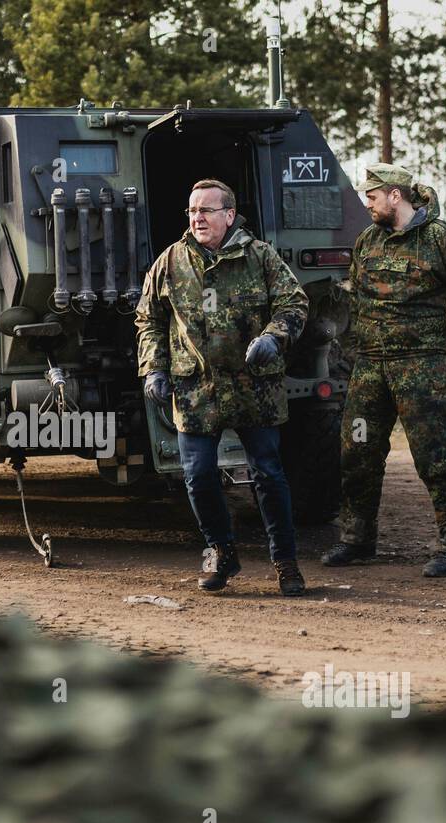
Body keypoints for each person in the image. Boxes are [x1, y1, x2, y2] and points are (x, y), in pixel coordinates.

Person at [135, 179, 309, 595]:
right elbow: (149, 320)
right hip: (197, 391)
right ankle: (221, 554)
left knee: (267, 474)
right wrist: (153, 369)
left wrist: (274, 337)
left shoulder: (260, 257)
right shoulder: (171, 262)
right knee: (197, 476)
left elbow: (294, 303)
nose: (197, 217)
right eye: (192, 211)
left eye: (207, 210)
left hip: (254, 388)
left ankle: (285, 562)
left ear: (229, 216)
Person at [322, 162, 446, 578]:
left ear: (396, 195)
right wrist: (348, 348)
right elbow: (354, 298)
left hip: (421, 368)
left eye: (372, 196)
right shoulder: (367, 241)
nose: (367, 203)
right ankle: (357, 539)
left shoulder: (441, 239)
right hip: (371, 368)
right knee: (357, 452)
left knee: (435, 458)